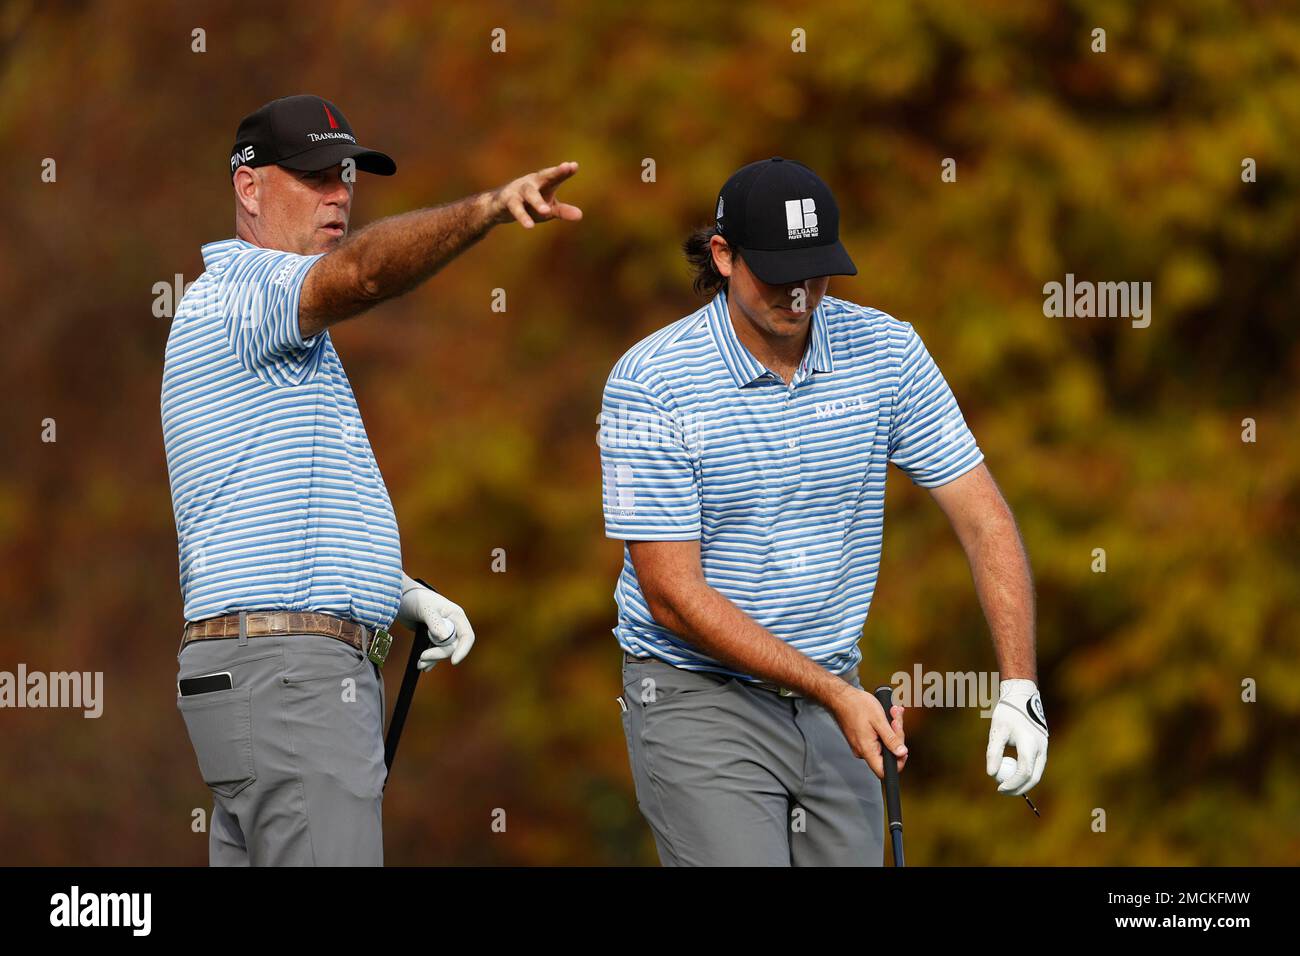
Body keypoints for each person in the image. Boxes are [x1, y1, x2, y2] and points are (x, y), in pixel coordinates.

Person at [162, 94, 581, 865]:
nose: (340, 193)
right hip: (293, 681)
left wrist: (400, 592)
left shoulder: (267, 333)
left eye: (346, 175)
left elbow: (280, 511)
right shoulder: (245, 293)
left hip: (263, 677)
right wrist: (487, 209)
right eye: (316, 175)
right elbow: (358, 276)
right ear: (248, 187)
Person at [598, 157, 1046, 866]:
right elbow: (671, 595)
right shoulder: (652, 383)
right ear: (723, 255)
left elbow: (983, 517)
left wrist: (1020, 686)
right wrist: (833, 692)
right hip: (699, 697)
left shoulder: (887, 352)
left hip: (835, 694)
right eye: (778, 272)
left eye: (816, 271)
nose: (800, 294)